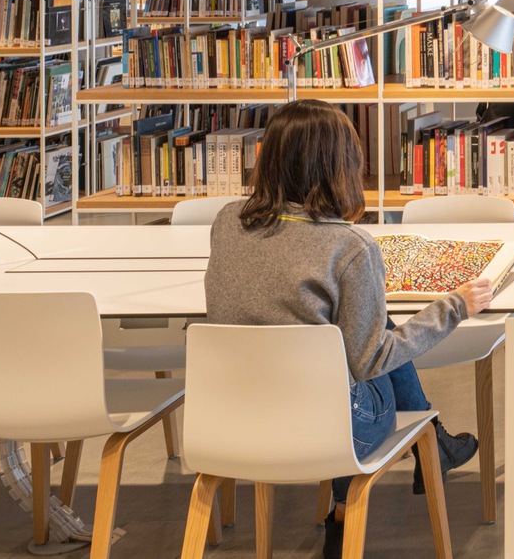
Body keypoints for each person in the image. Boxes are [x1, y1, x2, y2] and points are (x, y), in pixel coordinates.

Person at [205, 99, 492, 559]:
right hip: (327, 428)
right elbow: (369, 362)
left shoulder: (225, 223)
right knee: (356, 360)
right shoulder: (350, 247)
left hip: (231, 416)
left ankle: (433, 444)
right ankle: (352, 508)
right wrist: (454, 307)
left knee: (352, 335)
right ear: (338, 165)